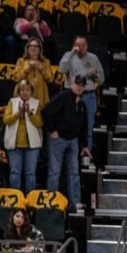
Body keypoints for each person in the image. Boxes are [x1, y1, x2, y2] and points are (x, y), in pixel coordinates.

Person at [41, 75, 89, 213]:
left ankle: (75, 202)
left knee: (74, 172)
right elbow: (45, 111)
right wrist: (51, 130)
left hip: (73, 141)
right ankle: (52, 202)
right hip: (58, 140)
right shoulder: (62, 96)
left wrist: (84, 145)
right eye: (77, 84)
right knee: (54, 172)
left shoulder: (82, 105)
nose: (79, 87)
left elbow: (85, 126)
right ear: (72, 84)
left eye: (82, 85)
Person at [57, 36, 104, 155]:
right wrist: (71, 53)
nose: (81, 48)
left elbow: (101, 79)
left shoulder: (93, 58)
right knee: (71, 126)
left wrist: (93, 75)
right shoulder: (68, 56)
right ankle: (72, 156)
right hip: (71, 96)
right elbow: (62, 70)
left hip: (88, 95)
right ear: (74, 46)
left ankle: (86, 158)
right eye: (78, 45)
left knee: (88, 128)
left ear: (87, 46)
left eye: (83, 45)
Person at [3, 80, 44, 195]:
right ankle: (15, 199)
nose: (25, 92)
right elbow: (6, 120)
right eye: (22, 90)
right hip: (14, 145)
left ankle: (29, 200)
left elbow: (40, 123)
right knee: (15, 173)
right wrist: (18, 114)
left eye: (27, 90)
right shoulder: (12, 102)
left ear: (31, 91)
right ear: (18, 91)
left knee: (30, 174)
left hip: (32, 146)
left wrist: (29, 113)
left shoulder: (36, 103)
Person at [12, 39, 54, 108]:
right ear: (27, 48)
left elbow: (50, 79)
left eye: (36, 46)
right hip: (23, 98)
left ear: (40, 49)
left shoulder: (46, 62)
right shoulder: (21, 61)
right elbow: (16, 78)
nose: (33, 48)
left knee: (38, 118)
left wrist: (41, 68)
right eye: (30, 46)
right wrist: (27, 67)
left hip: (40, 97)